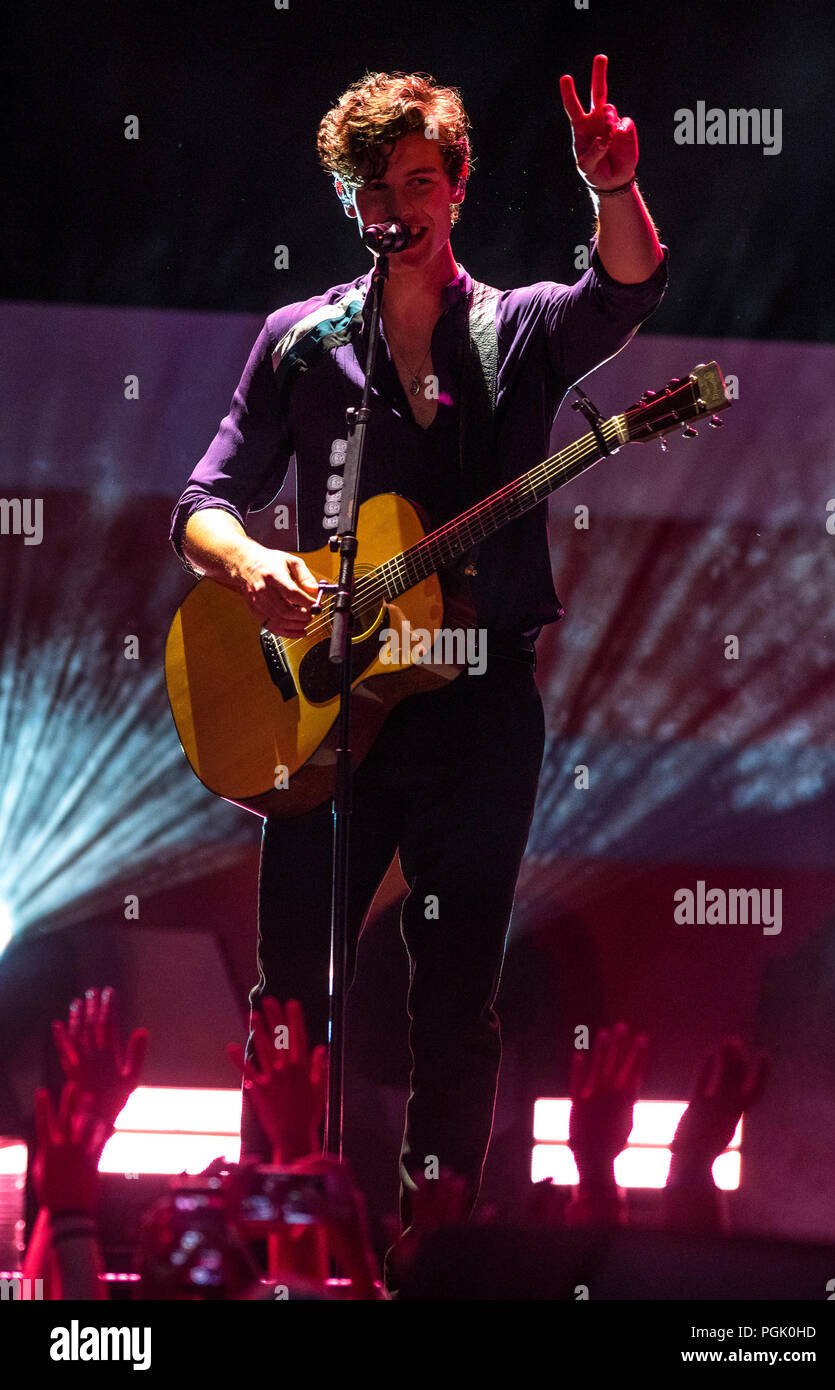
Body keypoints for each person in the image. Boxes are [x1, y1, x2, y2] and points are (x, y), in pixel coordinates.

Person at [169, 57, 668, 1287]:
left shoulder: (516, 329)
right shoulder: (299, 346)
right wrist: (249, 566)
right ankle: (269, 1244)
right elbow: (204, 499)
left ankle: (434, 1249)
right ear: (349, 204)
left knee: (455, 994)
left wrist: (614, 188)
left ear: (455, 188)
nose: (395, 207)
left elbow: (623, 291)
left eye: (416, 183)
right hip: (329, 698)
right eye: (370, 189)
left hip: (479, 697)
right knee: (294, 990)